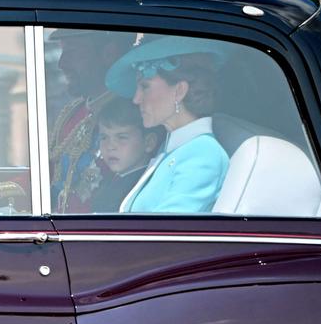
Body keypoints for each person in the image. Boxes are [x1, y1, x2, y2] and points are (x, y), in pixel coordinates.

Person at [106, 35, 231, 213]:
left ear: (179, 91)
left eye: (145, 86)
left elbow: (167, 233)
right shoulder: (175, 147)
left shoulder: (202, 154)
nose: (135, 99)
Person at [47, 29, 135, 212]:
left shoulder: (134, 115)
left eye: (72, 52)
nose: (62, 63)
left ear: (108, 54)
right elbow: (46, 174)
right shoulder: (72, 114)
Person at [88, 98, 165, 213]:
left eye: (121, 137)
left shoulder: (142, 189)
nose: (110, 146)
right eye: (104, 137)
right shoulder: (114, 181)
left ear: (149, 143)